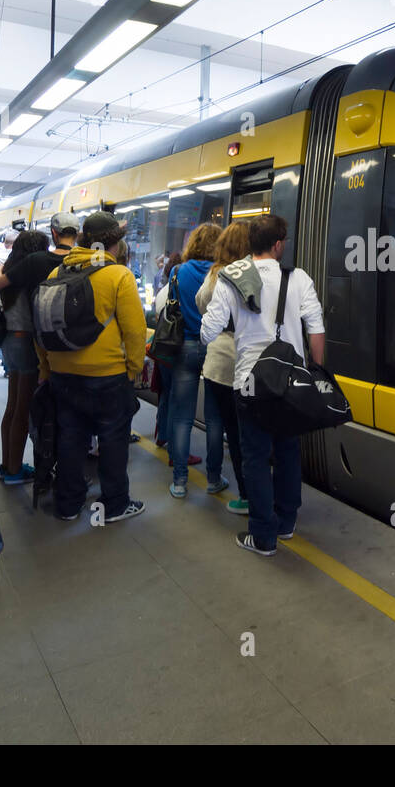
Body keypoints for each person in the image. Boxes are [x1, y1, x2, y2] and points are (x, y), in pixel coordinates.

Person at [200, 214, 324, 555]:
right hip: (290, 382)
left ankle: (263, 536)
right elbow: (316, 329)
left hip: (249, 383)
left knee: (254, 457)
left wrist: (238, 322)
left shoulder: (231, 279)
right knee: (287, 449)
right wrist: (316, 371)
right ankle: (286, 524)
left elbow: (207, 331)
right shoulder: (298, 279)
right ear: (279, 244)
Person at [35, 212, 147, 523]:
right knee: (113, 441)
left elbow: (41, 326)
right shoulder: (118, 275)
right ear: (117, 241)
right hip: (106, 375)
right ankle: (114, 505)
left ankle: (68, 505)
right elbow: (135, 331)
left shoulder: (59, 272)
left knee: (71, 438)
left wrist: (47, 367)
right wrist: (133, 370)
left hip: (61, 373)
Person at [194, 222, 249, 515]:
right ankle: (258, 492)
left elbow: (201, 304)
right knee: (249, 433)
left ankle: (245, 494)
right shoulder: (259, 274)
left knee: (232, 430)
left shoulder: (217, 274)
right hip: (250, 364)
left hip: (219, 364)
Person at [167, 223, 220, 498]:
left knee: (182, 416)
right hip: (214, 347)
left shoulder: (178, 271)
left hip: (185, 345)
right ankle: (213, 479)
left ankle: (179, 481)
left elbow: (169, 306)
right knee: (214, 418)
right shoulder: (221, 273)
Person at [0, 230, 48, 484]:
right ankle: (15, 470)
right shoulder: (31, 275)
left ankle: (7, 464)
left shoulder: (7, 272)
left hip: (9, 340)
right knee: (23, 411)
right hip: (26, 341)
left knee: (11, 407)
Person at [152, 250, 183, 449]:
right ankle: (174, 443)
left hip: (162, 349)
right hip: (176, 349)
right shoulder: (180, 290)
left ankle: (162, 433)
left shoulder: (163, 291)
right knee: (175, 397)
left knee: (165, 393)